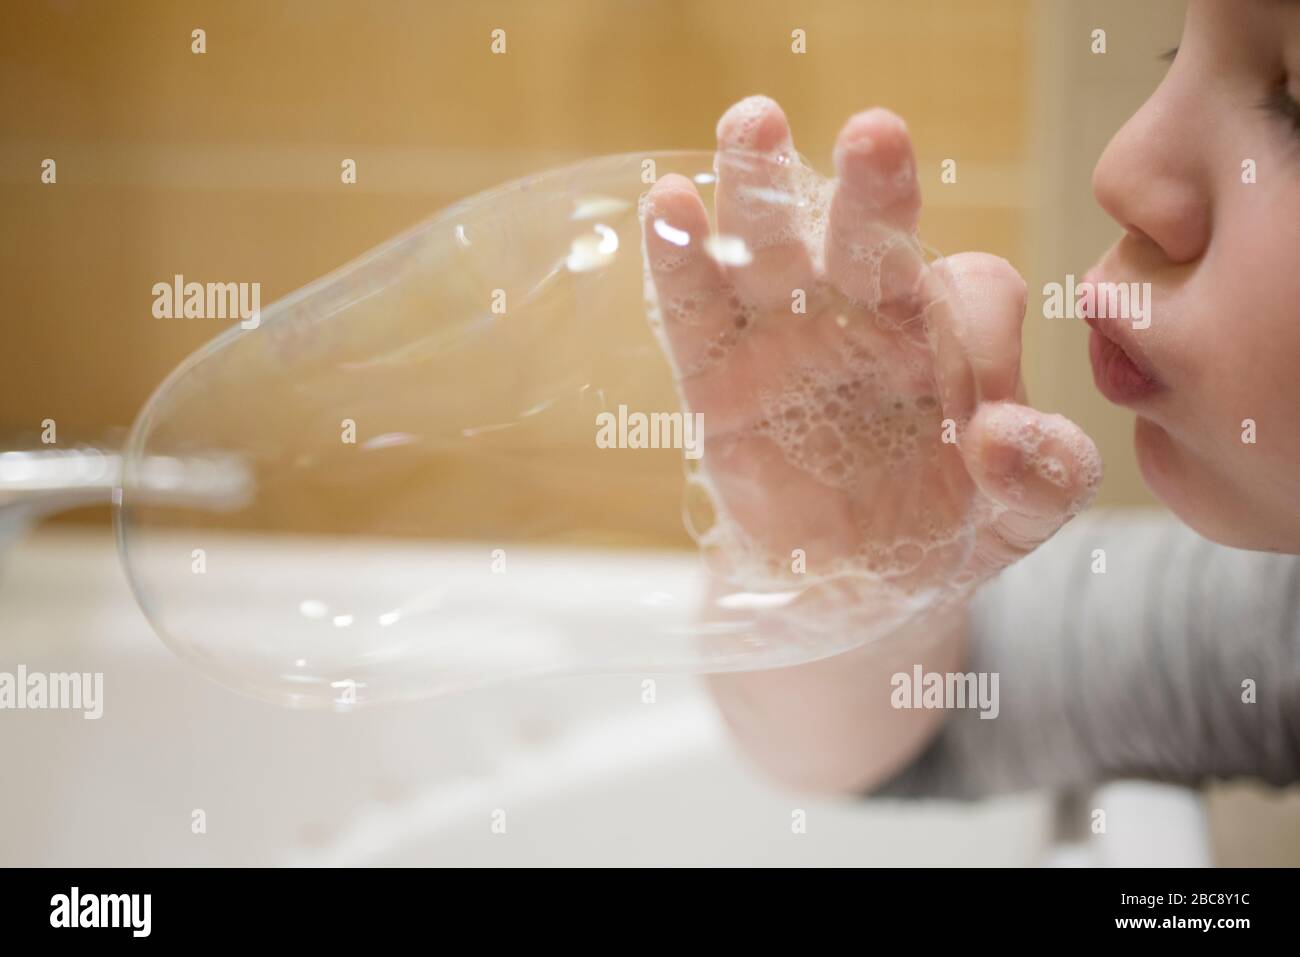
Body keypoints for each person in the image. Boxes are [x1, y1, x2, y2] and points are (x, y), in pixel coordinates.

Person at [640, 0, 1300, 799]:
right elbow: (916, 732)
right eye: (1174, 54)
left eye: (1296, 106)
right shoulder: (1265, 623)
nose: (1120, 170)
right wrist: (845, 584)